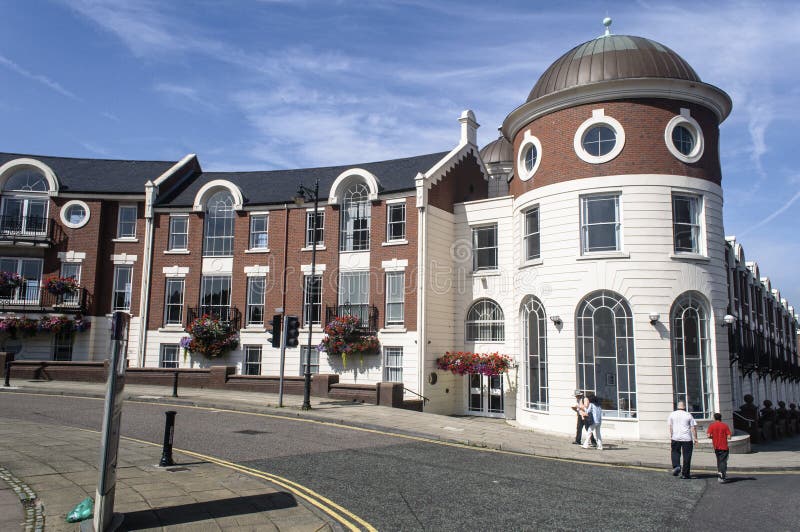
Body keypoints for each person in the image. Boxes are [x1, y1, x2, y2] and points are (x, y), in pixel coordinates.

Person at [668, 400, 698, 479]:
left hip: (675, 437)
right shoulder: (688, 415)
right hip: (687, 438)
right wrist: (695, 438)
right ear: (684, 407)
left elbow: (670, 427)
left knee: (675, 452)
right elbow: (693, 428)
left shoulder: (672, 414)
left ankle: (676, 466)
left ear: (677, 406)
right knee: (687, 456)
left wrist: (672, 436)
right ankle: (685, 474)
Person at [706, 413, 732, 483]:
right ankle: (722, 475)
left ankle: (720, 472)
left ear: (714, 418)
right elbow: (729, 437)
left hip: (716, 446)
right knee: (723, 461)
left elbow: (708, 436)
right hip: (724, 446)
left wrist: (713, 437)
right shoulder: (725, 425)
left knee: (719, 460)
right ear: (721, 418)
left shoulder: (712, 425)